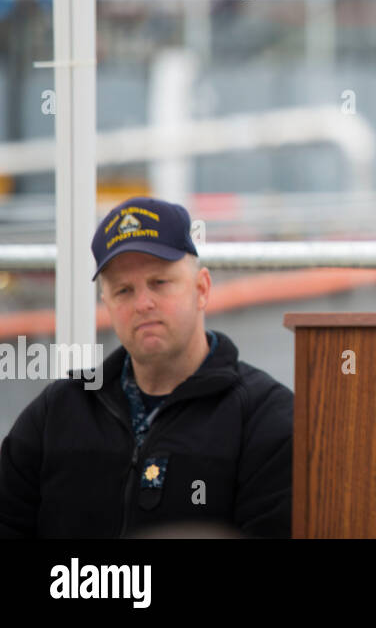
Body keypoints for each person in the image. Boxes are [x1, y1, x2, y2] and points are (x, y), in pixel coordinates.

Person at [0, 196, 293, 538]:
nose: (142, 303)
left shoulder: (266, 420)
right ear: (106, 303)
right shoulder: (56, 412)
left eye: (159, 283)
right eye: (124, 290)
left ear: (202, 289)